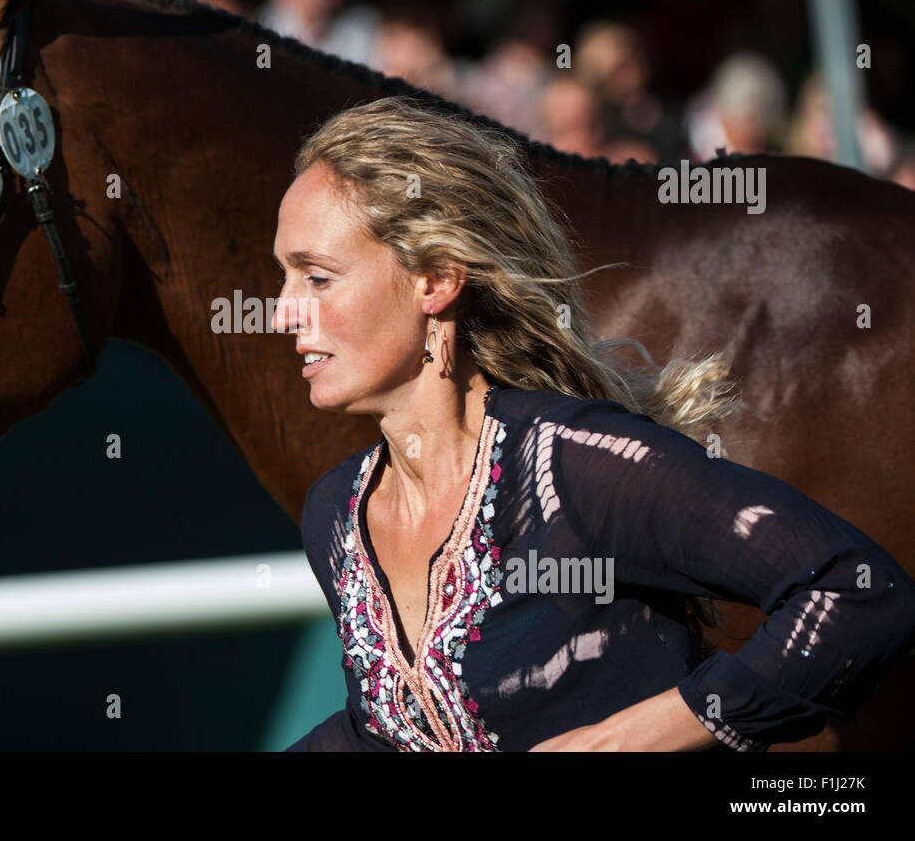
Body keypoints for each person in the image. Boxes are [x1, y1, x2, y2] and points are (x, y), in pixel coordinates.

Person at [271, 96, 915, 751]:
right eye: (284, 278)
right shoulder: (336, 514)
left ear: (436, 280)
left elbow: (858, 592)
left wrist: (628, 739)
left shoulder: (572, 462)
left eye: (317, 278)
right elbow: (385, 730)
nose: (280, 315)